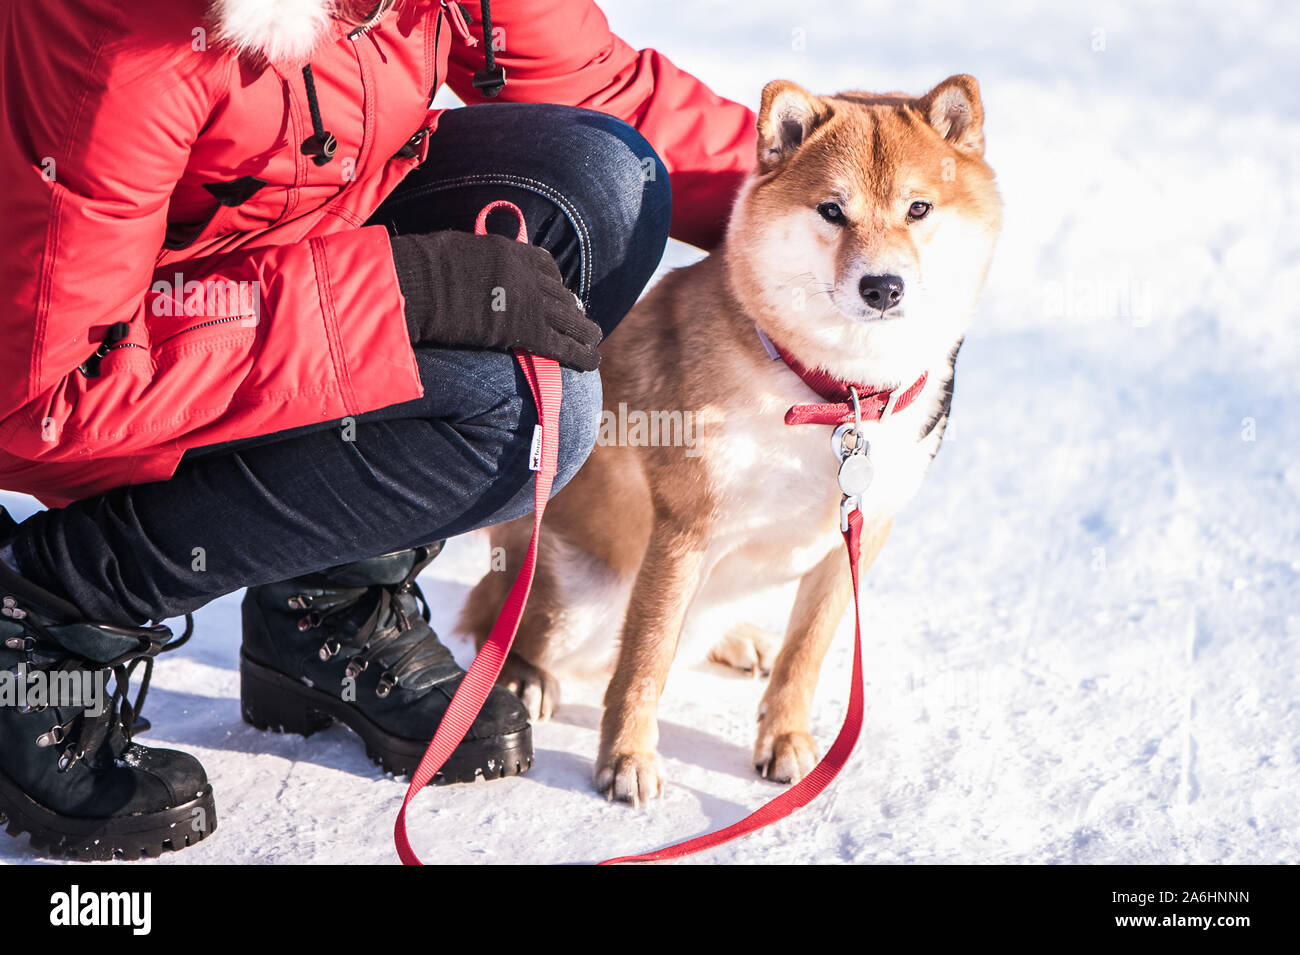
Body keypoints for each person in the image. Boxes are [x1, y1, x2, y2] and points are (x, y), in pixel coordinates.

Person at [0, 0, 755, 859]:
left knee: (606, 180)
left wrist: (849, 203)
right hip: (86, 354)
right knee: (524, 418)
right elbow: (51, 394)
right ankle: (53, 602)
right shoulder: (128, 34)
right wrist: (403, 290)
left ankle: (324, 607)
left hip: (274, 260)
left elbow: (603, 85)